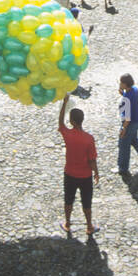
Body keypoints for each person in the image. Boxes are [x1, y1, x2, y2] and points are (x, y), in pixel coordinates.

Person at [58, 96, 99, 236]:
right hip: (85, 176)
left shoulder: (67, 134)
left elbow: (60, 123)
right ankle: (89, 226)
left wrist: (64, 104)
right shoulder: (89, 139)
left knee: (68, 199)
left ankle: (68, 223)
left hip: (69, 173)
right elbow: (92, 160)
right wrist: (96, 173)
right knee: (86, 201)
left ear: (72, 121)